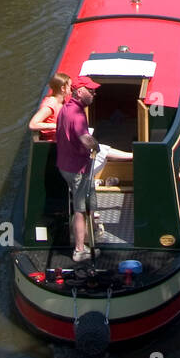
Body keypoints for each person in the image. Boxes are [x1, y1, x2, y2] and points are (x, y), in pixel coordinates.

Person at [55, 77, 131, 261]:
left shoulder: (66, 109)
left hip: (65, 165)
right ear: (79, 92)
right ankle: (80, 250)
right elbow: (85, 140)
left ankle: (94, 233)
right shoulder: (78, 115)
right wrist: (96, 146)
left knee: (85, 204)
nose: (94, 94)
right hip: (78, 169)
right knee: (80, 209)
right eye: (91, 91)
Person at [27, 72, 71, 141]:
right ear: (63, 88)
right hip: (53, 143)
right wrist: (57, 126)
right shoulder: (50, 105)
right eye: (70, 86)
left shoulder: (62, 101)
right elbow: (33, 124)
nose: (72, 88)